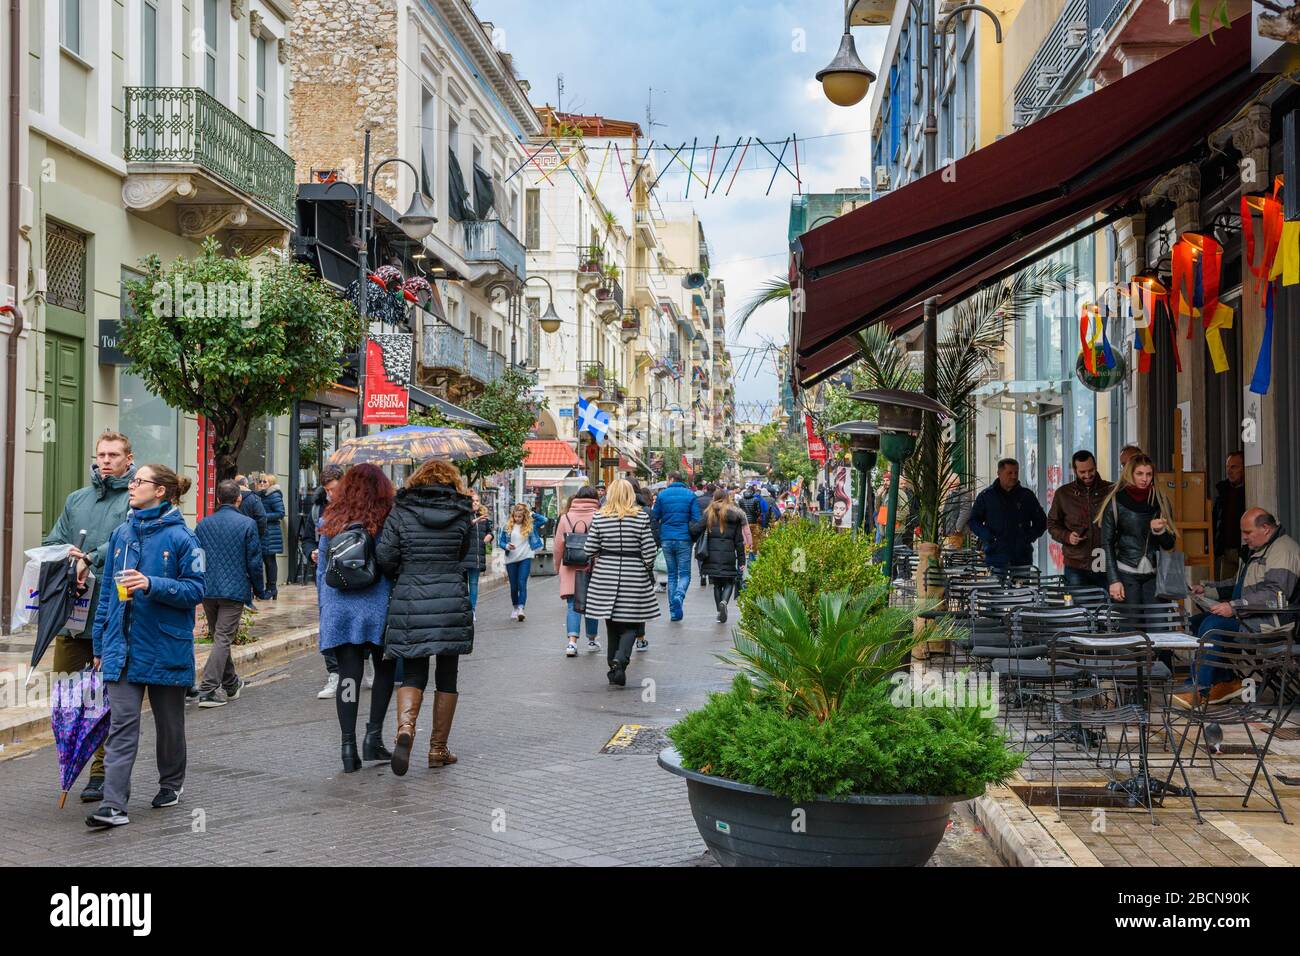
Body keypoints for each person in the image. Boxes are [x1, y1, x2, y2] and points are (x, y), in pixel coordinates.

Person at [85, 465, 204, 829]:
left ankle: (171, 782)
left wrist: (152, 583)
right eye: (133, 481)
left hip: (166, 645)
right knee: (122, 725)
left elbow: (196, 590)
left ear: (161, 492)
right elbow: (107, 592)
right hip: (122, 646)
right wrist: (100, 643)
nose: (132, 486)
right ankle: (114, 805)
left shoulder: (184, 538)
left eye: (140, 482)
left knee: (169, 725)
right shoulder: (121, 534)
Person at [43, 430, 134, 804]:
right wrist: (68, 554)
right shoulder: (76, 500)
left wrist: (89, 558)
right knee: (65, 699)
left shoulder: (133, 500)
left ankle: (100, 773)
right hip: (72, 618)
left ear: (129, 459)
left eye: (114, 454)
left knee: (102, 701)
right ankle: (71, 764)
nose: (107, 460)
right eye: (102, 454)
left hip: (110, 618)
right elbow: (51, 542)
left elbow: (124, 542)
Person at [377, 459, 474, 776]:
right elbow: (465, 556)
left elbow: (386, 556)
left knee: (414, 671)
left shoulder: (401, 511)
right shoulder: (462, 513)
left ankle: (405, 729)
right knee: (448, 674)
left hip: (411, 599)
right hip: (449, 601)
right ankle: (437, 749)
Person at [316, 464, 398, 772]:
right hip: (377, 603)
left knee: (348, 677)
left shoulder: (330, 519)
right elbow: (391, 562)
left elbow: (322, 571)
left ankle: (348, 746)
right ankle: (373, 736)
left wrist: (324, 610)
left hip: (340, 605)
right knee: (385, 670)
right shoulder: (387, 518)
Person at [1174, 508, 1300, 708]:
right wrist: (1206, 590)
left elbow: (1275, 596)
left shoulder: (1283, 551)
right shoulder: (1260, 549)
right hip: (1250, 617)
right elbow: (1238, 585)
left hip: (1271, 625)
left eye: (1248, 532)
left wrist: (1234, 607)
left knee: (1213, 626)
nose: (1244, 538)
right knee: (1194, 623)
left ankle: (1200, 688)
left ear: (1266, 528)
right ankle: (1225, 680)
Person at [193, 480, 267, 708]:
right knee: (223, 638)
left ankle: (231, 683)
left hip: (207, 589)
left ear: (217, 500)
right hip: (233, 590)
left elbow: (197, 557)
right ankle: (207, 690)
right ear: (239, 499)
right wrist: (259, 588)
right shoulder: (247, 524)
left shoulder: (203, 524)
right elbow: (254, 561)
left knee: (220, 638)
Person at [583, 479, 660, 686]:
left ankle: (614, 667)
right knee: (632, 623)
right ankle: (621, 659)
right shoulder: (640, 517)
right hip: (633, 573)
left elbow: (589, 549)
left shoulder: (599, 517)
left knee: (611, 623)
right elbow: (650, 550)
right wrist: (644, 565)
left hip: (605, 575)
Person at [1096, 453, 1177, 604]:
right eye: (1139, 473)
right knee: (1131, 626)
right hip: (1125, 573)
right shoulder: (1115, 501)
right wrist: (1114, 580)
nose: (1144, 479)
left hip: (1155, 575)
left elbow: (1170, 544)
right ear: (1130, 474)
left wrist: (1160, 532)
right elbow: (1106, 544)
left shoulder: (1161, 500)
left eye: (1149, 474)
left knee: (1159, 626)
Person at [1046, 450, 1113, 591]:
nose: (1087, 475)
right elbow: (1052, 524)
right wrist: (1067, 536)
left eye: (1091, 470)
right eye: (1082, 472)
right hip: (1075, 564)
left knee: (1108, 608)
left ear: (1096, 467)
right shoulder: (1063, 493)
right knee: (1080, 609)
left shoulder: (1110, 490)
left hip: (1106, 562)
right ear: (1075, 471)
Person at [967, 458, 1048, 573]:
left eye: (1016, 472)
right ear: (999, 474)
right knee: (996, 590)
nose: (1014, 476)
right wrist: (989, 537)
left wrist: (1028, 537)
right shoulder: (987, 496)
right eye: (1009, 473)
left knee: (1023, 590)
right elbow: (973, 521)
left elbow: (1041, 521)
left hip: (1022, 558)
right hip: (996, 557)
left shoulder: (1026, 496)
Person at [309, 466, 347, 699]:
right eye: (326, 490)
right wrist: (312, 553)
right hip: (330, 578)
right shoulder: (320, 510)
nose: (330, 494)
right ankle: (334, 673)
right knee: (329, 625)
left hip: (355, 577)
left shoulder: (363, 509)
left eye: (332, 489)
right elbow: (307, 539)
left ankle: (365, 666)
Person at [554, 487, 602, 657]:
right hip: (593, 566)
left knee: (572, 605)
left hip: (569, 567)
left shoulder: (566, 517)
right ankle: (592, 639)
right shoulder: (599, 516)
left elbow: (558, 546)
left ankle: (572, 643)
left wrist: (557, 565)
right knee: (591, 605)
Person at [651, 472, 703, 621]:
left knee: (672, 575)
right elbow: (696, 519)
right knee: (685, 574)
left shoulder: (662, 495)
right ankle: (679, 595)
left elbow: (655, 516)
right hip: (684, 539)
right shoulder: (690, 495)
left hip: (667, 538)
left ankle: (674, 612)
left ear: (671, 479)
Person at [691, 489, 747, 623]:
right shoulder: (735, 515)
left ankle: (719, 611)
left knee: (716, 584)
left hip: (712, 555)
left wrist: (689, 524)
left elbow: (696, 530)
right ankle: (724, 602)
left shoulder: (709, 514)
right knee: (729, 582)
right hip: (728, 555)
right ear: (727, 498)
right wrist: (741, 560)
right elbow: (739, 541)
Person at [501, 502, 547, 621]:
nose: (517, 519)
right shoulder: (507, 527)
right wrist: (506, 545)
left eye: (520, 516)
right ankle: (515, 607)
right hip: (511, 559)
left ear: (524, 516)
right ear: (513, 516)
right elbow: (500, 542)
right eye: (515, 516)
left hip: (525, 558)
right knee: (513, 587)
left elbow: (544, 520)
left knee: (522, 583)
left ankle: (521, 608)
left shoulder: (530, 526)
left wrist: (531, 513)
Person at [1212, 451, 1246, 581]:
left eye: (1234, 467)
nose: (1229, 471)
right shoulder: (1223, 491)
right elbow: (1216, 519)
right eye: (1227, 467)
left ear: (1244, 468)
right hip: (1226, 551)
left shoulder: (1248, 492)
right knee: (1224, 588)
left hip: (1242, 550)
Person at [462, 490, 494, 616]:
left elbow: (490, 531)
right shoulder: (463, 516)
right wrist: (476, 520)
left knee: (474, 583)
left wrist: (490, 536)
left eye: (477, 501)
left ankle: (472, 610)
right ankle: (464, 609)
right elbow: (463, 528)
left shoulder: (484, 518)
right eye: (472, 501)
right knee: (463, 585)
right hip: (464, 556)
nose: (475, 503)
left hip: (476, 556)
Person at [255, 473, 285, 600]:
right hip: (262, 532)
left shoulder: (274, 495)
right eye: (260, 481)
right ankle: (264, 589)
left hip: (271, 533)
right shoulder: (259, 495)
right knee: (261, 561)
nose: (262, 483)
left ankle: (272, 588)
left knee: (269, 561)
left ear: (271, 484)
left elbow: (280, 513)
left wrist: (263, 517)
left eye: (265, 482)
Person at [738, 482, 772, 557]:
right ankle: (754, 552)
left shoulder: (741, 500)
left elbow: (739, 511)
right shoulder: (756, 500)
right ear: (753, 492)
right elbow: (759, 511)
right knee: (755, 537)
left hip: (744, 522)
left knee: (745, 538)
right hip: (754, 522)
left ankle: (746, 552)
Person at [695, 482, 715, 588]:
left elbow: (695, 515)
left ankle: (702, 574)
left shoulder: (698, 500)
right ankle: (711, 575)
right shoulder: (714, 501)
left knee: (701, 550)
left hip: (701, 527)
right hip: (713, 528)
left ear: (706, 489)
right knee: (711, 551)